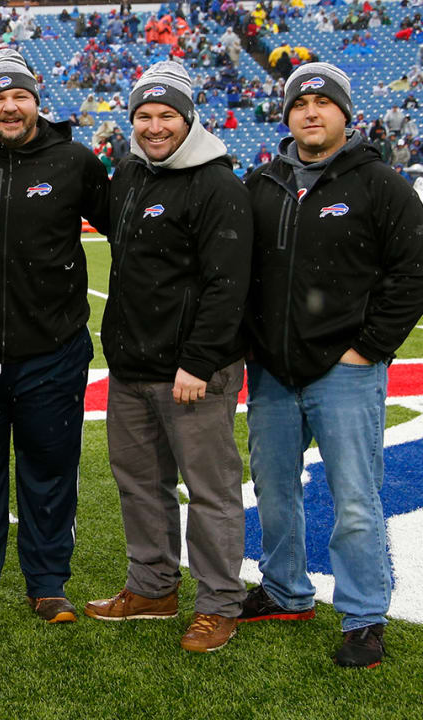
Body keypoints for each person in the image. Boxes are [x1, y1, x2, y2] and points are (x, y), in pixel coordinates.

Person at [241, 62, 423, 668]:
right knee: (273, 489)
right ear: (287, 115)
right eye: (300, 103)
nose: (310, 112)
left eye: (323, 102)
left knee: (354, 497)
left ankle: (364, 615)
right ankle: (286, 590)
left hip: (345, 369)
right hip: (270, 370)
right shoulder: (261, 183)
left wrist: (368, 346)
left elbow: (411, 273)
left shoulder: (379, 183)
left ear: (345, 114)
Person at [84, 61, 253, 654]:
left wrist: (200, 362)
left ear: (189, 118)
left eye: (166, 116)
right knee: (140, 485)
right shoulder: (130, 170)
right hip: (132, 365)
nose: (155, 127)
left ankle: (219, 605)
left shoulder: (217, 185)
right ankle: (153, 586)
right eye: (144, 116)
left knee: (209, 490)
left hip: (190, 372)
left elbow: (227, 284)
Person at [0, 49, 110, 625]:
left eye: (19, 96)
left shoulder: (75, 160)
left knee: (50, 470)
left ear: (37, 99)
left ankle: (47, 582)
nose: (9, 107)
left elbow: (131, 229)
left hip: (53, 352)